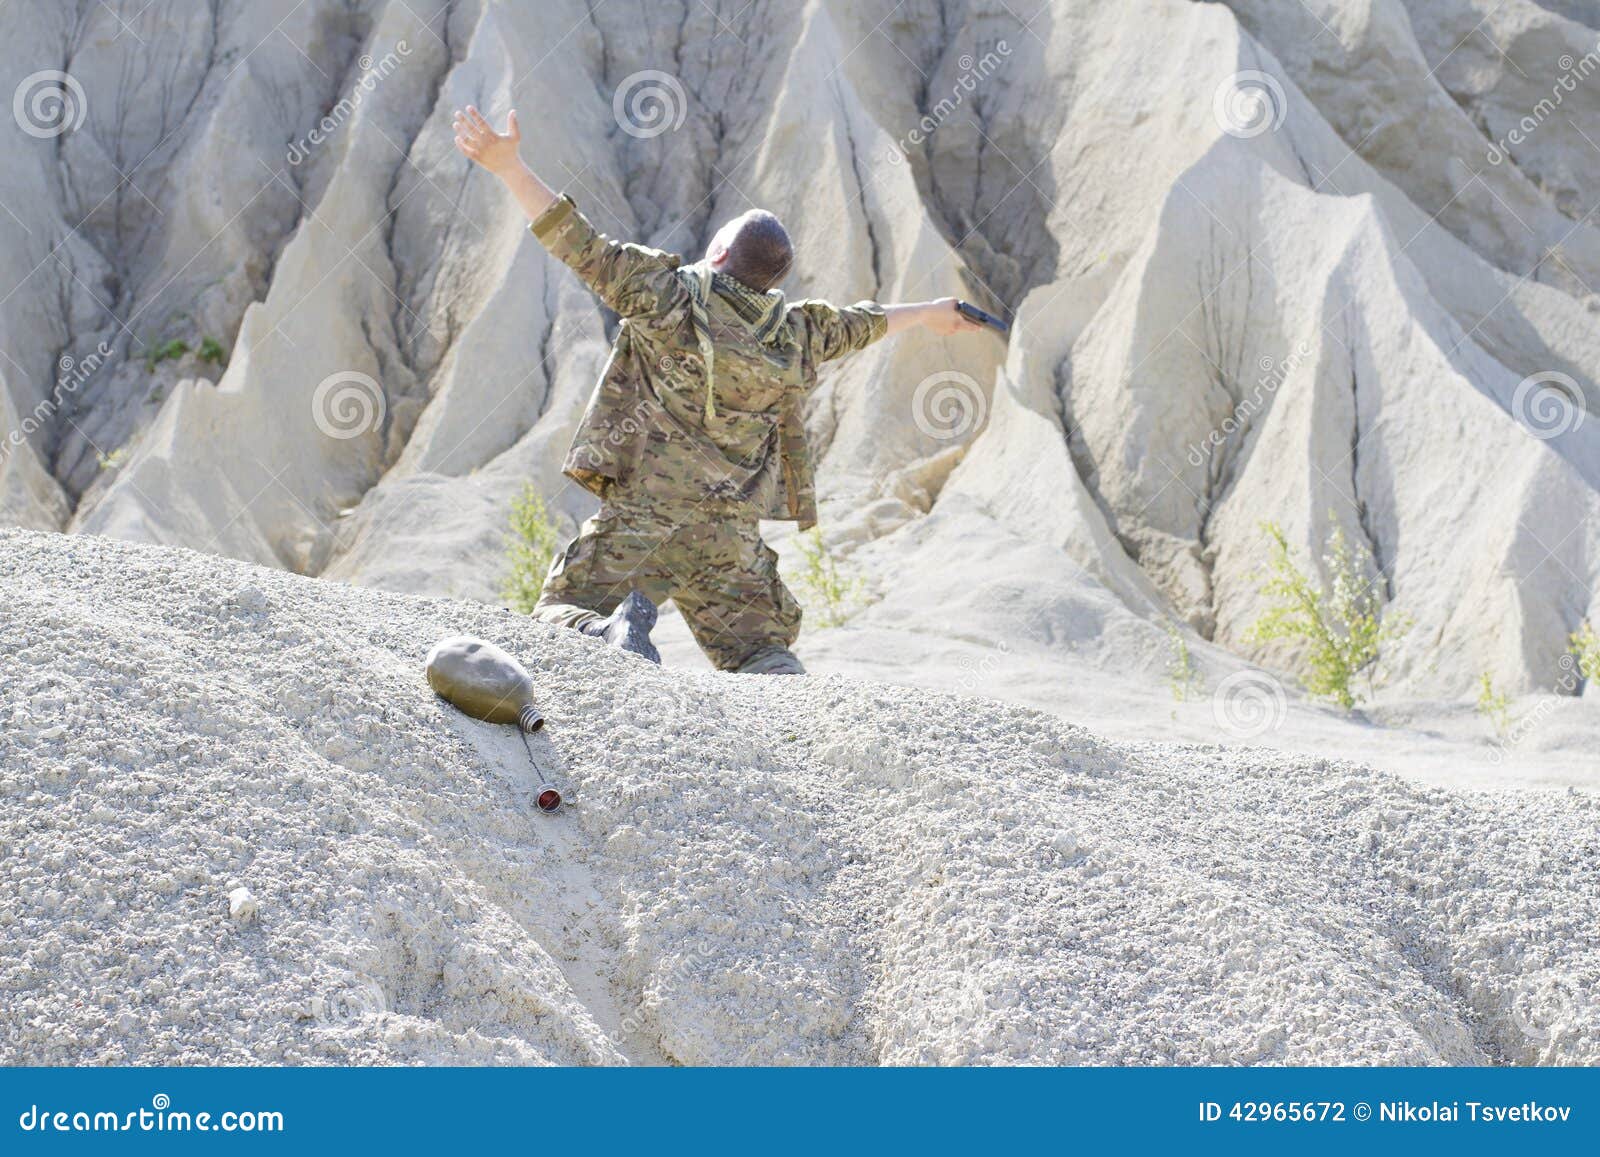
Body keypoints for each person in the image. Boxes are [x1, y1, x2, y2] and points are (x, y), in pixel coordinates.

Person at [453, 106, 986, 674]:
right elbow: (863, 322)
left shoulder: (667, 300)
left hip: (643, 521)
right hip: (728, 538)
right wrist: (929, 311)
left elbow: (580, 244)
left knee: (560, 614)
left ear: (719, 255)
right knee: (761, 654)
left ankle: (606, 632)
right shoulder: (798, 334)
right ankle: (799, 715)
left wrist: (509, 168)